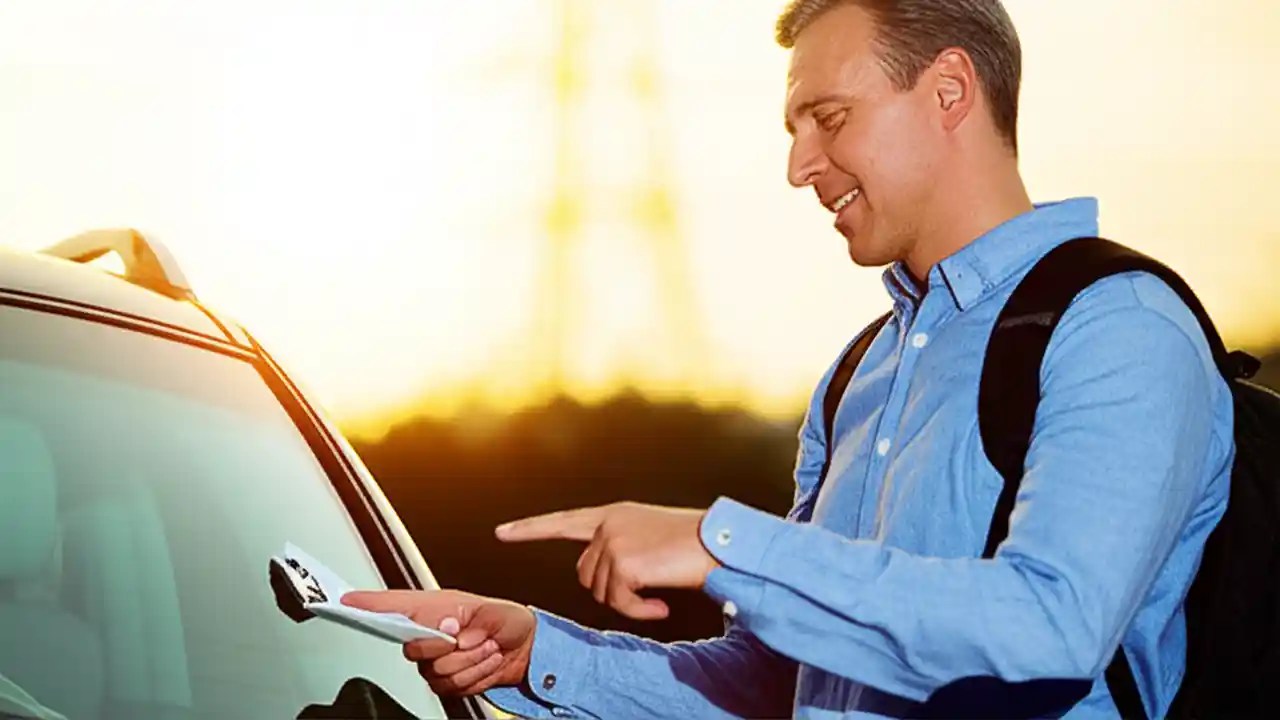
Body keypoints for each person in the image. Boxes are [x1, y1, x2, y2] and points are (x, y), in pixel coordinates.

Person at [344, 1, 1234, 717]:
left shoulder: (1120, 327)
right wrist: (540, 654)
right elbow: (782, 689)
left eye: (829, 118)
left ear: (950, 90)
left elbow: (1054, 626)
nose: (800, 164)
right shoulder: (859, 375)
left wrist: (720, 543)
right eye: (794, 127)